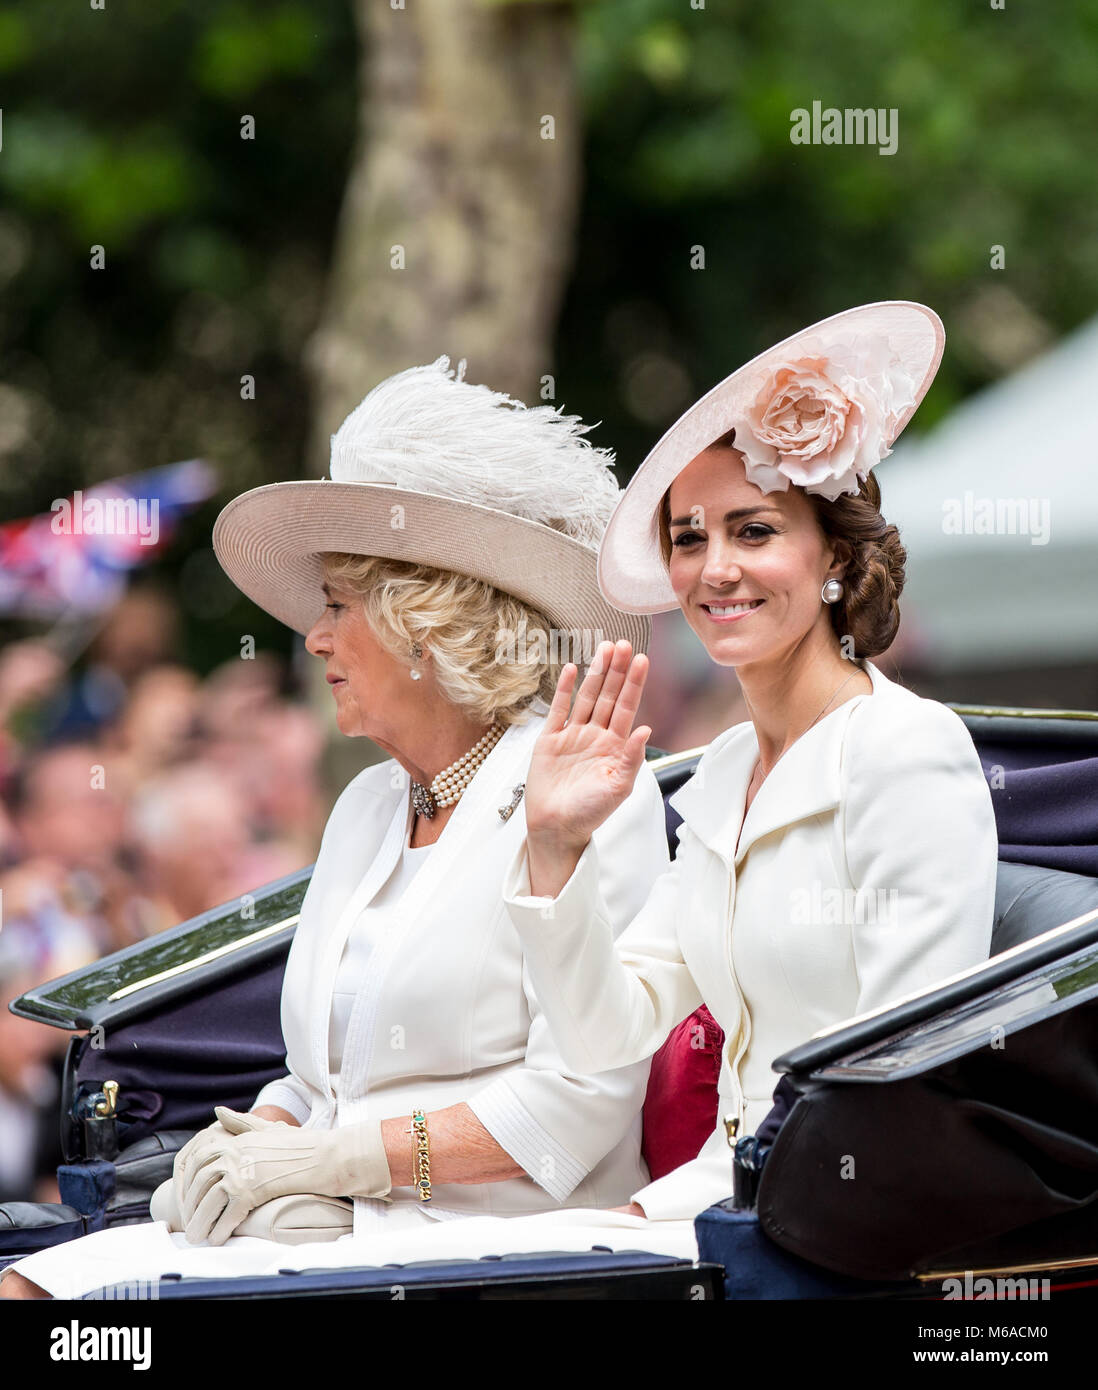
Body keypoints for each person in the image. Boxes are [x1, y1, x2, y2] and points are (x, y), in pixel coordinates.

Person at [0, 358, 668, 1298]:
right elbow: (324, 1084)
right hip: (329, 1234)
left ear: (423, 629)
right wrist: (257, 1137)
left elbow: (580, 1107)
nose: (313, 640)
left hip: (505, 1256)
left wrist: (343, 1161)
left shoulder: (588, 792)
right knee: (30, 1287)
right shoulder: (364, 807)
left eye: (336, 608)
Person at [502, 300, 999, 1230]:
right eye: (689, 538)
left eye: (755, 530)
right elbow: (610, 1030)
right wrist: (554, 848)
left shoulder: (907, 752)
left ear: (837, 561)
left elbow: (906, 1066)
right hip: (723, 1198)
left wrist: (693, 1215)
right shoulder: (726, 766)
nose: (714, 568)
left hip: (847, 1223)